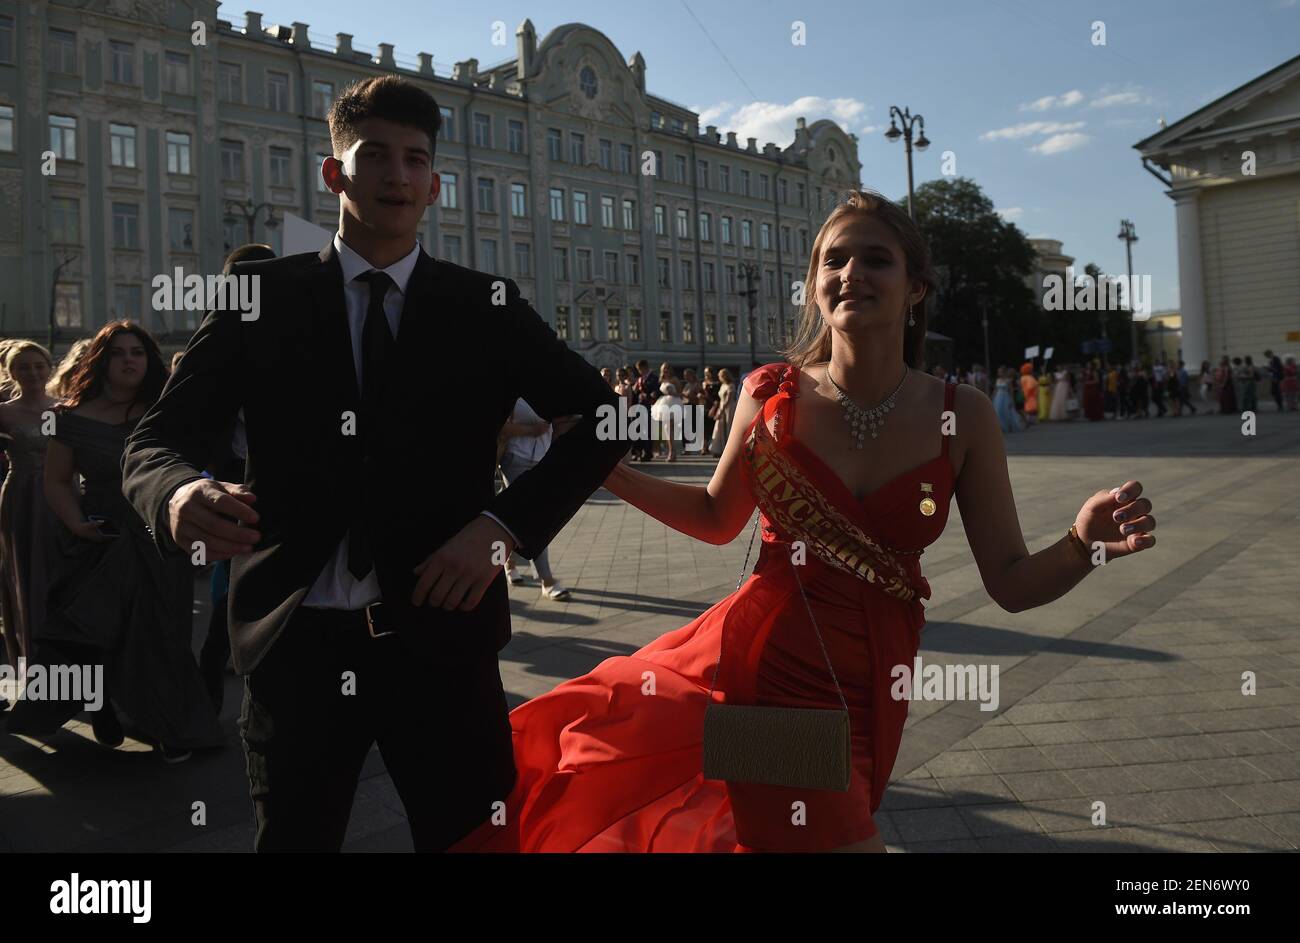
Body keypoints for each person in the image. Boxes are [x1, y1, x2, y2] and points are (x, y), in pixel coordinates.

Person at [450, 189, 1157, 853]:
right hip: (768, 661)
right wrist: (604, 469)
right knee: (836, 839)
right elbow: (714, 517)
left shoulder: (961, 413)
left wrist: (1079, 545)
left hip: (882, 674)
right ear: (815, 283)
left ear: (915, 288)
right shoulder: (769, 394)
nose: (851, 272)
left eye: (876, 258)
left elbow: (1008, 580)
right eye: (834, 259)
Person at [120, 76, 627, 851]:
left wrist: (502, 526)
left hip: (442, 645)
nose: (396, 175)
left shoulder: (485, 304)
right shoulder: (259, 295)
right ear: (335, 173)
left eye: (415, 159)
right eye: (375, 155)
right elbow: (154, 441)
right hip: (296, 648)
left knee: (473, 844)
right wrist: (178, 493)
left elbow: (607, 416)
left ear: (433, 185)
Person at [9, 322, 222, 760]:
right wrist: (78, 525)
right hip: (97, 537)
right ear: (102, 361)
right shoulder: (69, 417)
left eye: (138, 353)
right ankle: (100, 704)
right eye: (119, 352)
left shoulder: (166, 411)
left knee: (162, 634)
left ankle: (170, 727)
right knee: (93, 630)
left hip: (159, 537)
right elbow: (57, 482)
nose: (129, 360)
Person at [0, 342, 58, 666]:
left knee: (58, 572)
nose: (32, 373)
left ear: (49, 368)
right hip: (20, 497)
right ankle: (32, 661)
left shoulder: (65, 408)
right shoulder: (4, 412)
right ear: (11, 373)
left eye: (38, 365)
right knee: (23, 574)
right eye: (23, 367)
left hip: (60, 495)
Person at [499, 398, 574, 600]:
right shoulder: (513, 393)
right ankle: (547, 580)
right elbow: (501, 427)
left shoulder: (549, 390)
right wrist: (530, 431)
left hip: (544, 458)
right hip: (515, 458)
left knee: (517, 519)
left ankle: (509, 564)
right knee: (532, 519)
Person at [707, 368, 737, 456]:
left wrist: (721, 411)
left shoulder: (731, 385)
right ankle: (718, 449)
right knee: (719, 428)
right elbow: (721, 400)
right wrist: (718, 410)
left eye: (720, 376)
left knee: (727, 428)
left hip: (729, 409)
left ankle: (727, 450)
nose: (719, 377)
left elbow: (728, 400)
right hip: (722, 406)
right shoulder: (723, 385)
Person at [993, 367, 1019, 433]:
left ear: (1004, 372)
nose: (999, 373)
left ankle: (1008, 426)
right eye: (998, 372)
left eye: (1001, 372)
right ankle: (1001, 427)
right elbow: (995, 390)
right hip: (998, 397)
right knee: (998, 412)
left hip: (1005, 397)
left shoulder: (1008, 381)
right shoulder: (998, 380)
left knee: (1007, 412)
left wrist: (1012, 400)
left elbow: (1011, 391)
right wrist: (992, 397)